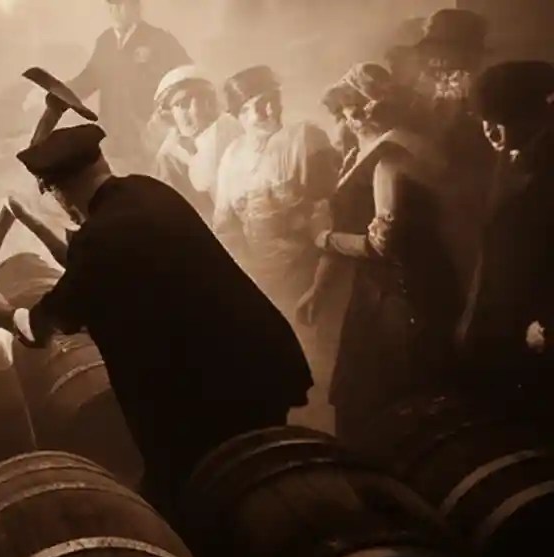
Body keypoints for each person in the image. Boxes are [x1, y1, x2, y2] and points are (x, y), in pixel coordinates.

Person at [0, 124, 312, 516]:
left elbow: (39, 328)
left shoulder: (102, 240)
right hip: (260, 362)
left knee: (207, 505)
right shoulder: (147, 191)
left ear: (59, 191)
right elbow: (87, 262)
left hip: (210, 397)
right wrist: (30, 219)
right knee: (263, 490)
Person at [297, 63, 461, 440]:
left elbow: (381, 245)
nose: (344, 119)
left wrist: (323, 238)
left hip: (400, 296)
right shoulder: (365, 152)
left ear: (370, 107)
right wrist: (319, 288)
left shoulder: (393, 156)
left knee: (388, 398)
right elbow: (353, 221)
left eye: (348, 108)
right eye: (339, 111)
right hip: (379, 292)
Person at [212, 65, 340, 431]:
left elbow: (328, 213)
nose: (272, 111)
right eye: (259, 105)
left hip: (312, 279)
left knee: (323, 370)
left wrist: (319, 283)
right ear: (239, 115)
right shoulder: (233, 158)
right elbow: (226, 226)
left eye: (274, 101)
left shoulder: (303, 139)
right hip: (263, 284)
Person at [455, 60, 554, 413]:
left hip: (536, 336)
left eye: (502, 123)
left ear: (538, 117)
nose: (491, 134)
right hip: (500, 329)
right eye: (486, 123)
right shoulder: (511, 158)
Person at [414, 9, 496, 289]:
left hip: (474, 199)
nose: (433, 61)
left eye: (442, 50)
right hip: (438, 198)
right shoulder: (431, 91)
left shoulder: (483, 92)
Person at [66, 0, 191, 174]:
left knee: (147, 187)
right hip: (111, 135)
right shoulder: (105, 41)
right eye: (111, 4)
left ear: (136, 7)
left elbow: (185, 77)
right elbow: (89, 79)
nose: (114, 10)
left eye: (120, 4)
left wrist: (167, 114)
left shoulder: (158, 39)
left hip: (146, 137)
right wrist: (58, 93)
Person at [151, 65, 242, 220]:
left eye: (202, 100)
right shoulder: (169, 158)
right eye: (182, 105)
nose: (196, 111)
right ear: (168, 113)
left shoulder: (235, 133)